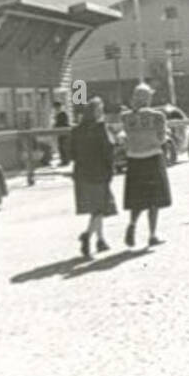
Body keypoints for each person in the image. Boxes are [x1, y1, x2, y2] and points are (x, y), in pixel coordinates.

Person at [120, 83, 171, 247]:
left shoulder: (126, 117)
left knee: (137, 198)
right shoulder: (158, 116)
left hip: (134, 159)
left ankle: (133, 224)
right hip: (153, 157)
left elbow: (124, 137)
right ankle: (152, 234)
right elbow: (162, 138)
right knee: (154, 200)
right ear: (147, 98)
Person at [69, 96, 117, 257]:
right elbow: (109, 149)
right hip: (99, 172)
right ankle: (88, 235)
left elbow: (70, 153)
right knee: (100, 207)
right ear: (97, 112)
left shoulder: (76, 130)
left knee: (95, 208)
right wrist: (111, 168)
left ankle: (101, 240)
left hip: (81, 173)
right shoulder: (101, 128)